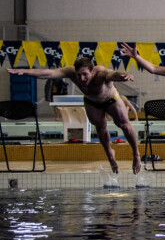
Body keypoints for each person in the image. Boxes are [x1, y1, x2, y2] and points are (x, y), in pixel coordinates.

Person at [8, 57, 142, 175]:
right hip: (92, 101)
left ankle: (136, 154)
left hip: (111, 99)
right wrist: (26, 71)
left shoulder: (101, 73)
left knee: (124, 124)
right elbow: (48, 73)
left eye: (85, 75)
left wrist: (124, 76)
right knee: (101, 127)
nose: (82, 79)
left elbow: (114, 74)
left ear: (93, 71)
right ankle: (110, 155)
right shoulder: (71, 72)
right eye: (79, 75)